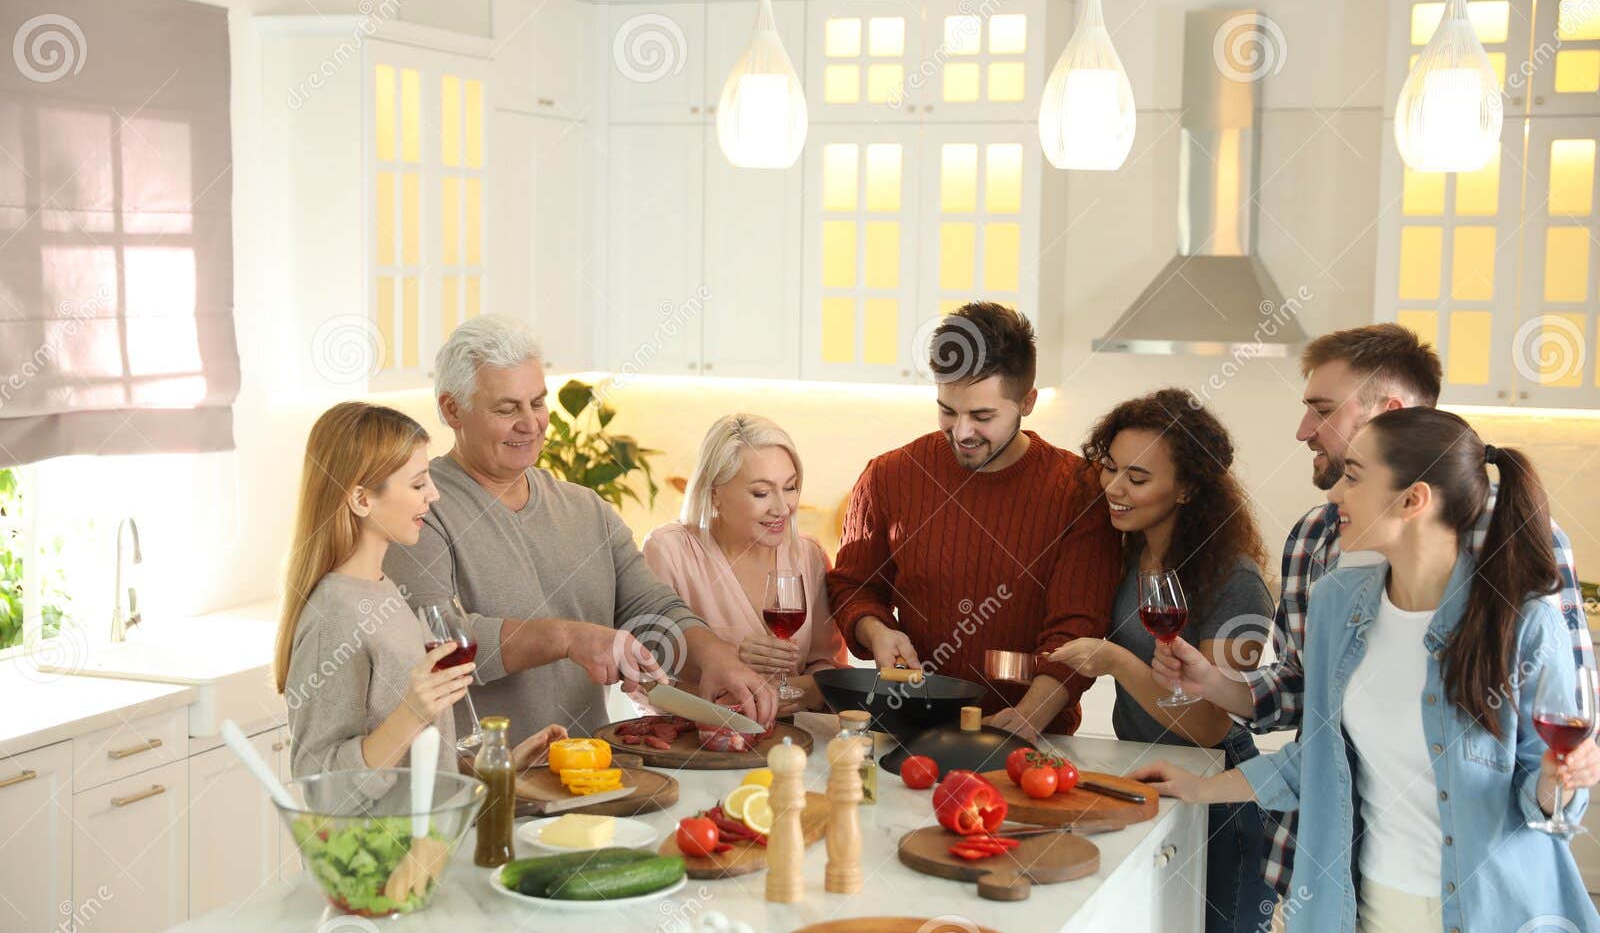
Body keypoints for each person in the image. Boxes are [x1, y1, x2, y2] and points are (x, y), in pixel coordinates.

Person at [1153, 323, 1596, 933]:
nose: (1307, 433)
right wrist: (1207, 731)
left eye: (1324, 410)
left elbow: (1561, 756)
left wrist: (1559, 783)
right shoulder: (1329, 578)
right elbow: (1316, 736)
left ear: (1411, 489)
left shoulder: (1518, 582)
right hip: (1355, 901)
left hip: (1499, 921)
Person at [384, 315, 775, 748]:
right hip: (484, 775)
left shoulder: (585, 508)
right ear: (451, 409)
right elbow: (435, 645)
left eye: (537, 402)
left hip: (590, 769)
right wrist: (568, 638)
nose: (531, 424)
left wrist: (713, 654)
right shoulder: (422, 510)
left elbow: (650, 603)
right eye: (507, 408)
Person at [1046, 389, 1277, 933]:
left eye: (1138, 476)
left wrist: (1119, 662)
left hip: (1220, 796)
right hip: (1143, 781)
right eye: (1109, 466)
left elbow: (1206, 725)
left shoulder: (1235, 582)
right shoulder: (1125, 552)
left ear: (1186, 490)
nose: (1114, 487)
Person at [827, 302, 1120, 739]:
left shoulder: (1078, 491)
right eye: (948, 410)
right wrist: (876, 631)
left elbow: (1077, 628)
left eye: (982, 417)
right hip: (909, 729)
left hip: (1033, 738)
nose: (962, 432)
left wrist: (1026, 720)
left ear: (1027, 401)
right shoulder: (890, 476)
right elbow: (853, 585)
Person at [275, 403, 565, 791]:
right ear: (361, 499)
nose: (433, 494)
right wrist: (412, 712)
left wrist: (503, 767)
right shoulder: (333, 614)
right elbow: (322, 788)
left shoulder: (383, 589)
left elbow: (412, 771)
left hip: (431, 845)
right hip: (384, 853)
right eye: (417, 484)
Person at [638, 414, 846, 715]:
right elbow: (646, 680)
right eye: (761, 493)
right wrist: (728, 670)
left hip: (793, 745)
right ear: (715, 493)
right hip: (694, 748)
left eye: (790, 487)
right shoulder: (668, 550)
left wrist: (781, 695)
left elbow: (830, 672)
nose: (782, 508)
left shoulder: (809, 554)